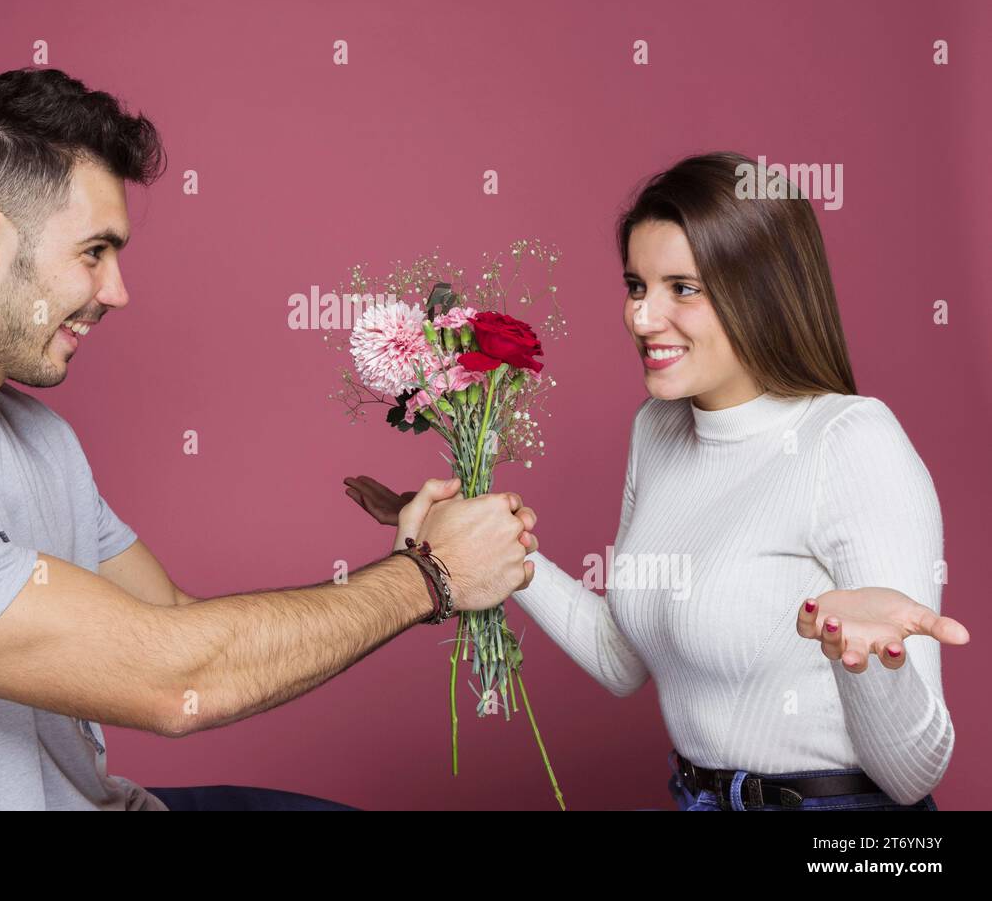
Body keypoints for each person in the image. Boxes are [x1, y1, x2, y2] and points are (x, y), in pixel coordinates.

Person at [0, 67, 537, 811]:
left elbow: (169, 620)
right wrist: (427, 579)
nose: (119, 291)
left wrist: (413, 556)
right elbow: (179, 681)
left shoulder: (32, 432)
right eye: (95, 252)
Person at [345, 152, 969, 811]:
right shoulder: (658, 431)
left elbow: (913, 777)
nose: (642, 319)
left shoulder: (851, 440)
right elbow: (622, 658)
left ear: (761, 290)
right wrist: (473, 531)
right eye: (637, 286)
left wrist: (876, 665)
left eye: (683, 288)